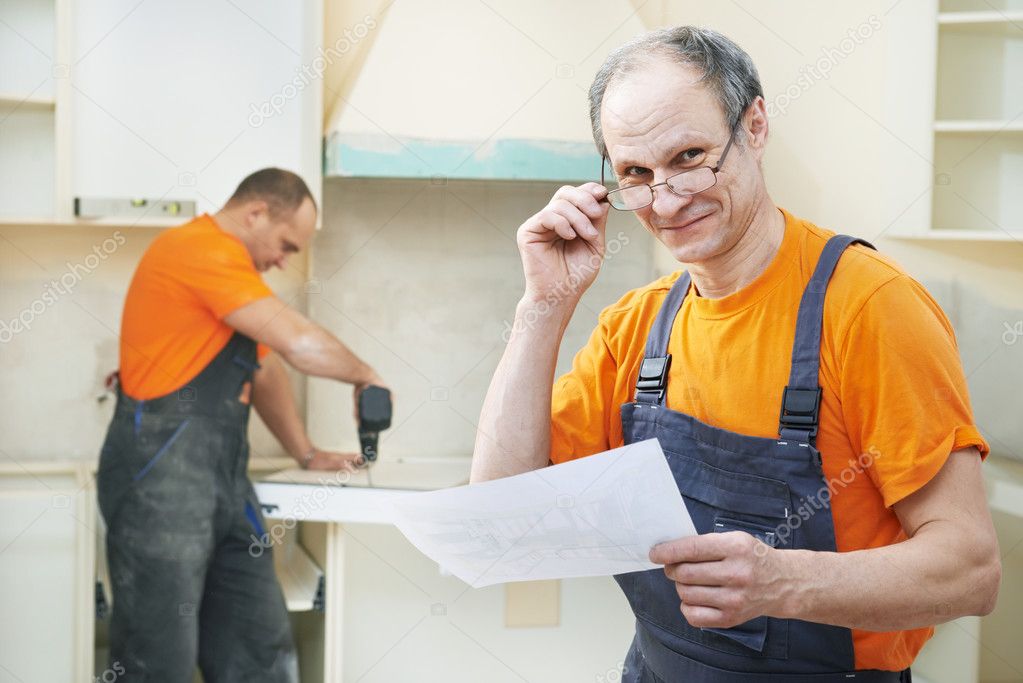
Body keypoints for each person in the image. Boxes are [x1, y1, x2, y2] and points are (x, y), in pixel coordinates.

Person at [470, 27, 1000, 682]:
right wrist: (542, 306)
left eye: (689, 156)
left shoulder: (869, 307)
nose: (666, 200)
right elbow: (499, 517)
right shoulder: (634, 328)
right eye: (636, 174)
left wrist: (784, 581)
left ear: (754, 126)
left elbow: (971, 570)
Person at [97, 168, 387, 681]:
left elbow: (265, 370)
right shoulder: (198, 250)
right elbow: (298, 344)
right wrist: (365, 375)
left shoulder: (236, 287)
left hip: (224, 485)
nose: (284, 260)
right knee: (156, 658)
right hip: (157, 487)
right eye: (286, 244)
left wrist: (305, 452)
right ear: (256, 213)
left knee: (257, 647)